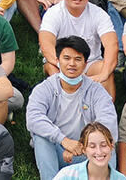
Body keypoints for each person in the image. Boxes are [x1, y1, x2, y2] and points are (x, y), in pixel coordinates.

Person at [26, 36, 119, 180]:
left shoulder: (96, 90)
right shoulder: (44, 88)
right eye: (67, 58)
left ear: (85, 63)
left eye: (77, 59)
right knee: (41, 137)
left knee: (108, 146)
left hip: (87, 151)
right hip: (55, 150)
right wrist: (64, 141)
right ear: (57, 60)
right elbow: (33, 119)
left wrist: (82, 147)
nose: (72, 64)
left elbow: (108, 123)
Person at [39, 0, 119, 97]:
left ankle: (106, 113)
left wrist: (105, 73)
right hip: (60, 63)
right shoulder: (53, 13)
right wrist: (65, 66)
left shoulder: (99, 14)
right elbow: (46, 44)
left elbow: (111, 45)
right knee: (52, 69)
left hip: (90, 62)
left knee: (105, 70)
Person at [50, 123, 126, 180]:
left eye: (104, 145)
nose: (99, 151)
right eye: (92, 146)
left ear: (111, 147)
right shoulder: (67, 175)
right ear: (84, 150)